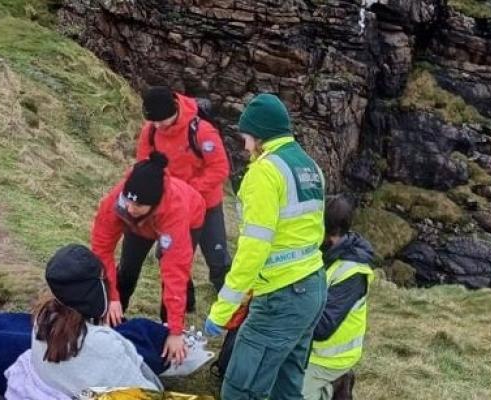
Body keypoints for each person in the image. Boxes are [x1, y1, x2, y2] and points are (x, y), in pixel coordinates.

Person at [204, 93, 327, 400]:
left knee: (240, 389)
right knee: (286, 385)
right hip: (312, 286)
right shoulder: (309, 166)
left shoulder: (264, 171)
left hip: (281, 297)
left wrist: (222, 311)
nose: (245, 146)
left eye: (246, 137)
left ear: (260, 135)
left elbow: (254, 248)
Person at [4, 244, 213, 399]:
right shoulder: (101, 344)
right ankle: (187, 347)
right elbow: (143, 393)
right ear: (96, 293)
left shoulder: (43, 318)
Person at [91, 152, 205, 366]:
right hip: (141, 227)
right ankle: (113, 319)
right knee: (127, 269)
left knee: (171, 275)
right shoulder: (121, 202)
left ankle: (167, 329)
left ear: (153, 204)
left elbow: (175, 272)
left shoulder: (175, 211)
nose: (130, 209)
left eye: (138, 206)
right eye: (128, 202)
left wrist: (175, 330)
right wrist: (111, 299)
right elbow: (101, 249)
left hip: (189, 218)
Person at [137, 87, 231, 294]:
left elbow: (220, 168)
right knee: (170, 258)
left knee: (218, 261)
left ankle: (231, 307)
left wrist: (188, 190)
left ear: (175, 111)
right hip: (172, 207)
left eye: (162, 121)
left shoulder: (202, 131)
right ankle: (181, 300)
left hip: (206, 206)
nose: (158, 126)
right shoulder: (151, 131)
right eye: (154, 122)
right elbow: (144, 164)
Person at [302, 196, 376, 400]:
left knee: (287, 394)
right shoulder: (326, 252)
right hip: (305, 346)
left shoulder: (352, 272)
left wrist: (288, 310)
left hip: (328, 358)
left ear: (329, 232)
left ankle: (335, 387)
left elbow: (322, 327)